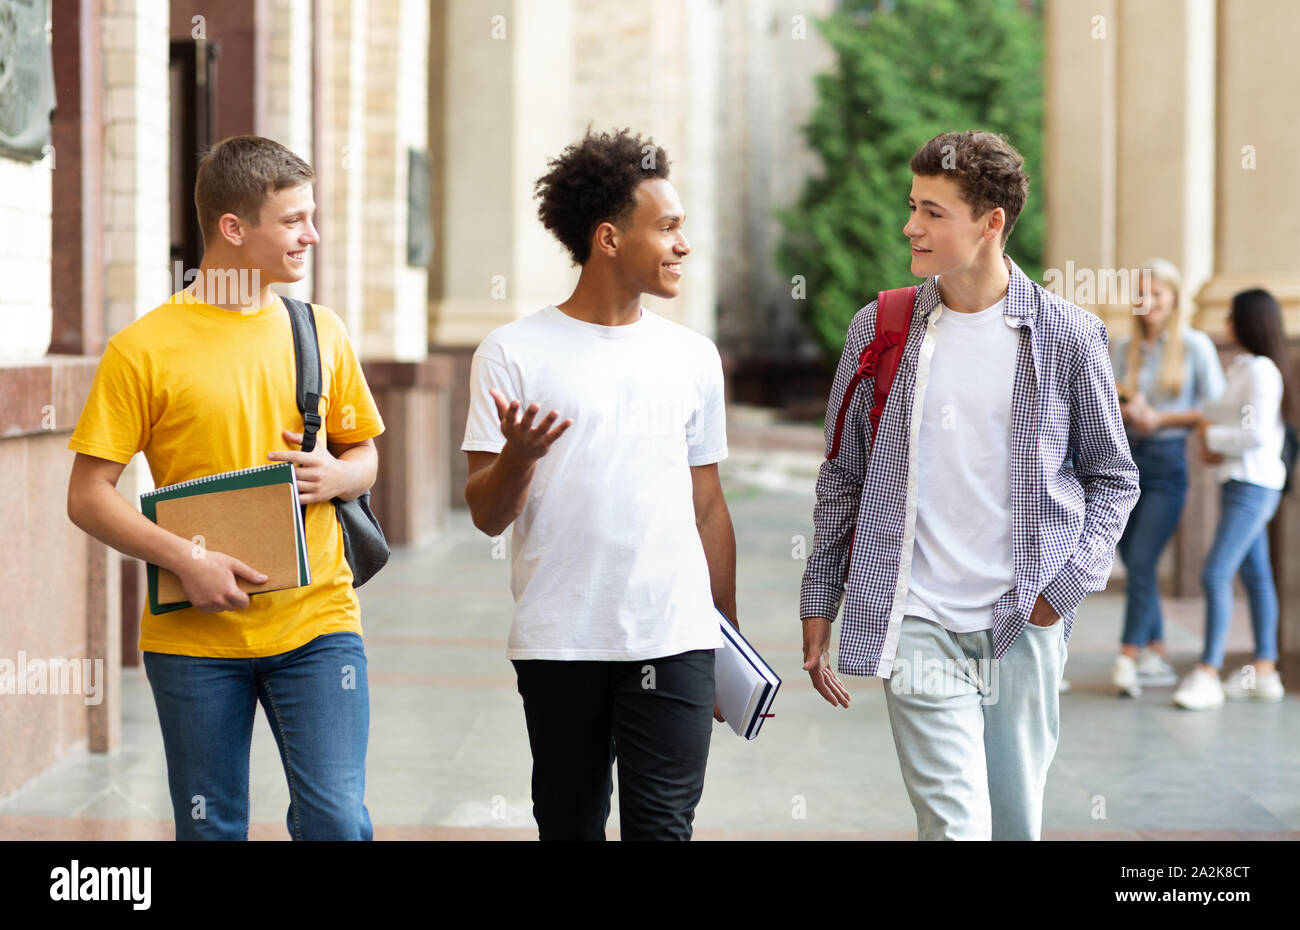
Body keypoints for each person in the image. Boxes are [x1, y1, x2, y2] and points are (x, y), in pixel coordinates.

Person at [799, 130, 1140, 841]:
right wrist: (819, 600)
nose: (910, 225)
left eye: (932, 211)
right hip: (916, 614)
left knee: (1014, 827)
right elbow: (843, 478)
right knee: (954, 826)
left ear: (991, 224)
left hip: (1023, 618)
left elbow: (1112, 477)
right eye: (911, 205)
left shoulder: (1069, 335)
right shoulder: (880, 330)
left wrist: (1062, 589)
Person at [66, 135, 384, 840]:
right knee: (211, 829)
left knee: (337, 820)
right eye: (295, 220)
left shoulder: (319, 332)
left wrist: (340, 474)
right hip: (194, 641)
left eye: (314, 215)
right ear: (235, 229)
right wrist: (187, 560)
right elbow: (87, 495)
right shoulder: (142, 349)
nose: (314, 234)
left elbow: (364, 455)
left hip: (318, 625)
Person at [461, 128, 737, 841]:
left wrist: (723, 636)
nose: (684, 244)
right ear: (610, 238)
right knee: (569, 825)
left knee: (662, 829)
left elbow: (708, 506)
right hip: (562, 640)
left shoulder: (693, 357)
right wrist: (518, 458)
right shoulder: (512, 353)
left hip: (675, 638)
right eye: (668, 227)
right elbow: (486, 517)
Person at [1108, 259, 1226, 697]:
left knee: (1140, 561)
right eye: (1140, 294)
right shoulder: (1122, 348)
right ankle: (1157, 647)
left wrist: (1160, 419)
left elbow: (1212, 408)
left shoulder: (1195, 347)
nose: (1148, 302)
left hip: (1167, 466)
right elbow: (1106, 403)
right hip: (1122, 465)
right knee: (1134, 559)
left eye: (1156, 294)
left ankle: (1128, 655)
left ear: (1173, 298)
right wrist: (1129, 412)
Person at [1173, 288, 1294, 709]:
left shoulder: (1261, 370)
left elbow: (1256, 433)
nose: (1225, 322)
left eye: (1231, 315)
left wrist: (1211, 436)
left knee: (1214, 572)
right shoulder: (1248, 368)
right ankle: (1264, 671)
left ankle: (1207, 671)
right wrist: (1214, 440)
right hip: (1240, 481)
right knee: (1257, 576)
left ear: (1248, 321)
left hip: (1253, 485)